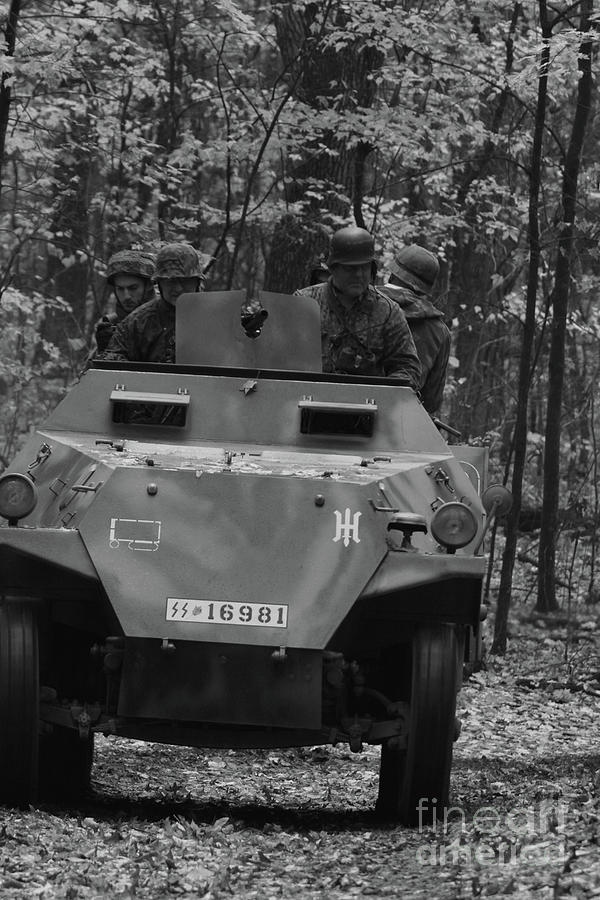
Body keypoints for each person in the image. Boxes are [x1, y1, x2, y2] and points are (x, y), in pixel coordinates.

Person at [294, 225, 421, 388]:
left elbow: (407, 368)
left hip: (370, 406)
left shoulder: (388, 311)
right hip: (307, 400)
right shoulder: (305, 303)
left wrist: (384, 392)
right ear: (333, 268)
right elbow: (282, 358)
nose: (359, 275)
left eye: (364, 268)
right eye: (350, 268)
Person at [101, 242, 204, 363]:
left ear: (197, 282)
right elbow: (111, 369)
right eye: (170, 281)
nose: (178, 288)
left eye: (185, 281)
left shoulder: (216, 316)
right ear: (159, 283)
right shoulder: (137, 322)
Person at [381, 244, 450, 414]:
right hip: (402, 422)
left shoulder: (362, 302)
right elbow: (431, 402)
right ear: (426, 289)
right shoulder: (439, 330)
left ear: (392, 273)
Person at [94, 249, 156, 353]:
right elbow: (90, 369)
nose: (126, 296)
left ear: (148, 287)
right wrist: (102, 352)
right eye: (120, 289)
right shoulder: (112, 324)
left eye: (133, 288)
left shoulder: (167, 320)